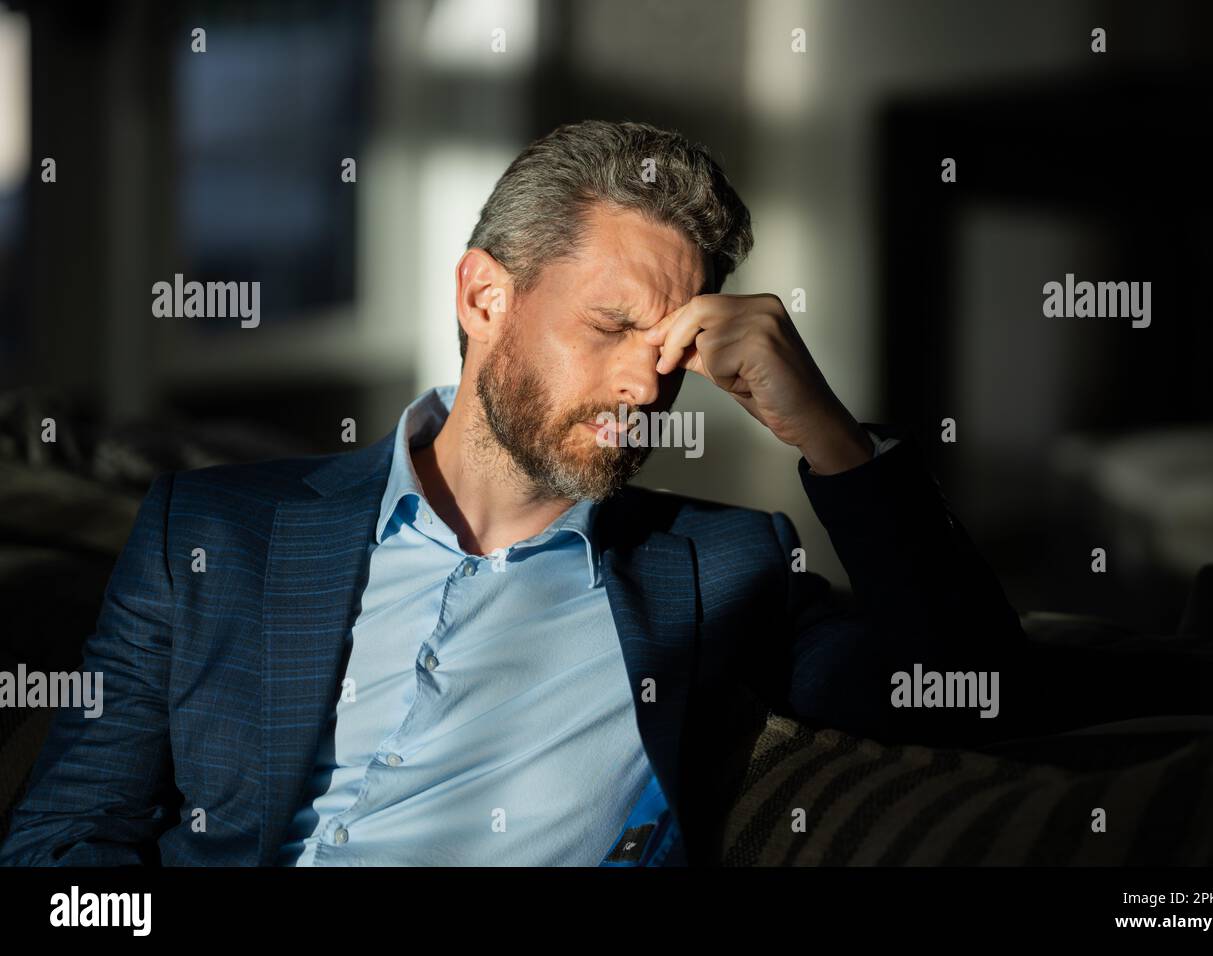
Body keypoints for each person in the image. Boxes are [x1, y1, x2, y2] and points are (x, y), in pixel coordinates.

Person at [0, 120, 1026, 867]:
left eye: (671, 349)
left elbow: (976, 692)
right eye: (613, 326)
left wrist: (828, 433)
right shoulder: (214, 528)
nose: (646, 385)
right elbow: (63, 843)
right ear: (485, 296)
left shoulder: (723, 570)